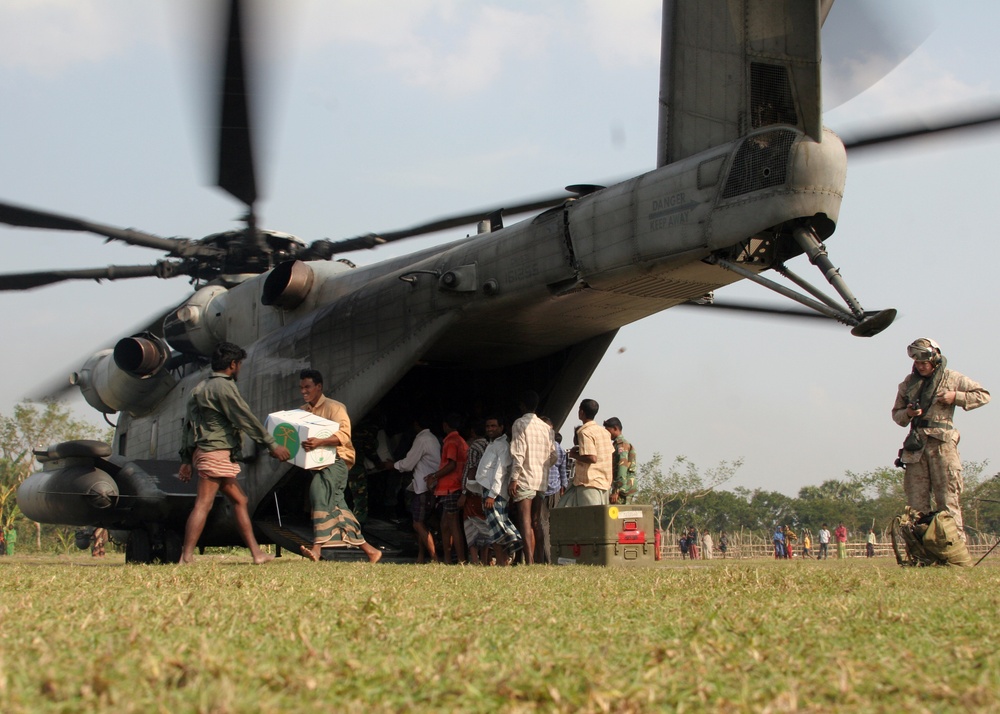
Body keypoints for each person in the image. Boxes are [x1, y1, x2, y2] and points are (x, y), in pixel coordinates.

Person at [178, 342, 291, 565]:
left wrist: (186, 459)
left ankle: (257, 554)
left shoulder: (199, 388)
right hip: (217, 452)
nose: (240, 368)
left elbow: (189, 427)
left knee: (240, 500)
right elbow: (244, 416)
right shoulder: (224, 387)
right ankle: (186, 557)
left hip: (207, 452)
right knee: (204, 504)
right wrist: (272, 445)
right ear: (232, 364)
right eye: (239, 364)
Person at [892, 338, 990, 541]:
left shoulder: (951, 378)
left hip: (942, 446)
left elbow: (983, 395)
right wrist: (909, 413)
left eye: (924, 362)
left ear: (934, 358)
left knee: (947, 499)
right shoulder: (908, 385)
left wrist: (956, 397)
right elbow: (897, 416)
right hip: (916, 448)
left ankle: (955, 550)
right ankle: (922, 551)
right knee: (916, 506)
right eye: (917, 362)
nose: (920, 366)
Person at [296, 369, 381, 564]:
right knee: (336, 505)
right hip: (318, 465)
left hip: (337, 461)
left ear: (319, 387)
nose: (303, 391)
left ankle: (317, 548)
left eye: (307, 387)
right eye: (301, 387)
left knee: (318, 494)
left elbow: (344, 435)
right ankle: (370, 551)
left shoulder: (335, 408)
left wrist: (319, 442)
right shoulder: (302, 411)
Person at [508, 391, 556, 565]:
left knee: (525, 520)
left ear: (522, 405)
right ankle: (540, 559)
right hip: (541, 480)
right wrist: (542, 468)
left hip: (525, 477)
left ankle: (529, 561)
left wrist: (514, 478)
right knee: (537, 522)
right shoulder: (546, 427)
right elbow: (553, 455)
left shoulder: (520, 424)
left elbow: (518, 453)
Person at [385, 416, 441, 563]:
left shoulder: (422, 439)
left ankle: (434, 557)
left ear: (416, 424)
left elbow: (409, 463)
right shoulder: (432, 438)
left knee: (418, 523)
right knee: (422, 523)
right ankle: (421, 557)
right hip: (429, 486)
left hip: (423, 487)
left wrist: (394, 465)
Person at [476, 415, 521, 565]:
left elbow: (500, 472)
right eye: (488, 426)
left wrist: (492, 495)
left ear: (501, 428)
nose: (490, 429)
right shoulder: (492, 445)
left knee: (498, 531)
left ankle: (503, 561)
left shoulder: (502, 446)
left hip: (495, 494)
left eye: (493, 426)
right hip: (489, 492)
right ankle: (503, 562)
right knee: (494, 530)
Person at [425, 414, 469, 564]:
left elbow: (451, 464)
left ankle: (461, 559)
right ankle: (448, 559)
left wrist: (434, 476)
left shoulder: (451, 441)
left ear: (445, 425)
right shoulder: (461, 440)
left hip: (451, 487)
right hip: (454, 486)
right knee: (445, 524)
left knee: (453, 524)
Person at [558, 399, 614, 507]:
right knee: (599, 518)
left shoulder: (584, 432)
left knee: (589, 518)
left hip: (589, 484)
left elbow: (592, 458)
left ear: (581, 412)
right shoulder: (605, 432)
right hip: (605, 483)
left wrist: (575, 455)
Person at [534, 419, 567, 564]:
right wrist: (563, 488)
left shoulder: (538, 446)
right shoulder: (558, 447)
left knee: (543, 525)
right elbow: (563, 471)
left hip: (542, 490)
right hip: (554, 490)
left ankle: (547, 559)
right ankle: (553, 558)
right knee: (553, 526)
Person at [458, 420, 490, 565]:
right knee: (485, 526)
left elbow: (470, 469)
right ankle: (484, 559)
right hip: (486, 490)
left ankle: (475, 560)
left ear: (472, 432)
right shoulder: (489, 445)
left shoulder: (474, 447)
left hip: (473, 492)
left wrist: (464, 491)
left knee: (470, 526)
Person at [603, 417, 637, 505]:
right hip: (623, 487)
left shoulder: (622, 445)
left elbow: (622, 468)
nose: (606, 433)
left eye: (608, 430)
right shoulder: (617, 445)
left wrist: (616, 491)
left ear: (615, 428)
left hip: (624, 489)